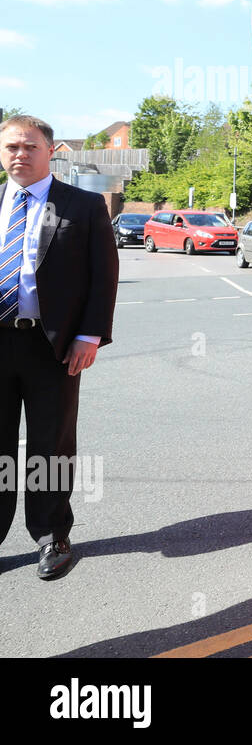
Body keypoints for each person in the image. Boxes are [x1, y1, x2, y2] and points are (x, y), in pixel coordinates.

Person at [0, 114, 118, 580]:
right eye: (10, 147)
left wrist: (90, 336)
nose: (19, 154)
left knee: (50, 445)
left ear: (51, 150)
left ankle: (51, 536)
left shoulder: (83, 205)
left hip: (54, 346)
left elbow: (103, 276)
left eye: (29, 146)